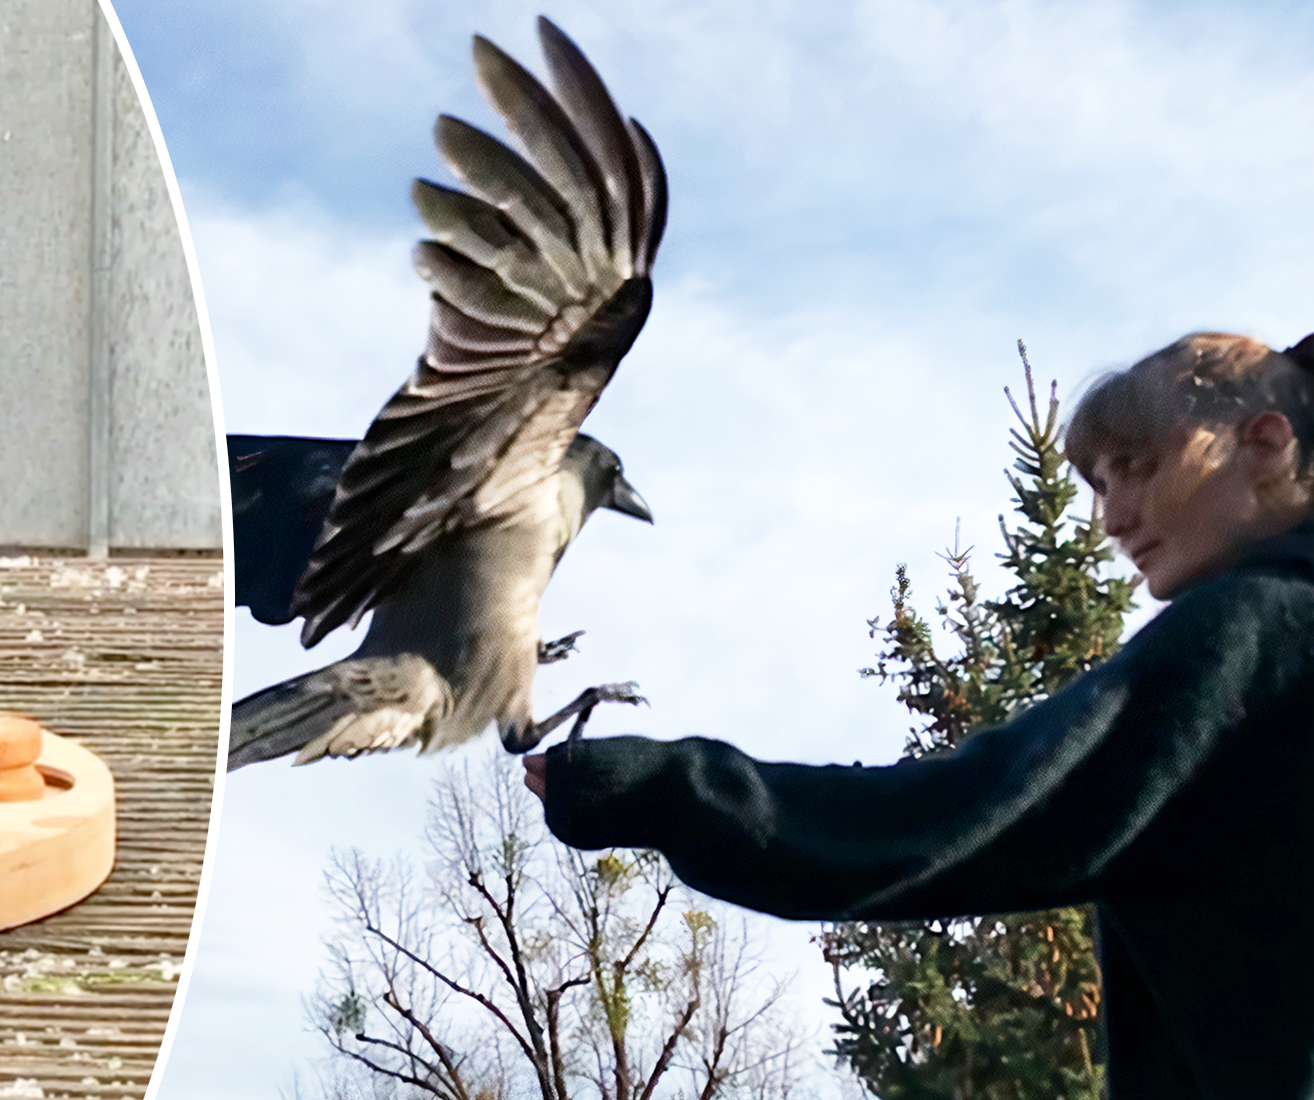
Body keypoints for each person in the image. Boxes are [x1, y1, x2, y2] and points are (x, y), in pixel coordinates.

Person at [524, 332, 1314, 1097]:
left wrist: (668, 790)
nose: (1112, 518)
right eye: (1100, 486)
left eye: (1137, 468)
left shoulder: (1248, 631)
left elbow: (969, 812)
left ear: (1268, 445)